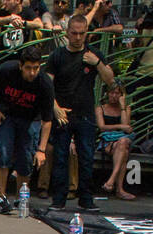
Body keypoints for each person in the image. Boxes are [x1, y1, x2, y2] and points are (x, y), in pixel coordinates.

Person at [42, 14, 113, 209]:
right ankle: (59, 199)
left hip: (85, 113)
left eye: (82, 33)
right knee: (61, 158)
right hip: (64, 114)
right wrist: (55, 108)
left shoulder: (94, 53)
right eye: (74, 33)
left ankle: (86, 198)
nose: (78, 37)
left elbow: (110, 80)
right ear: (67, 33)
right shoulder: (57, 55)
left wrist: (96, 63)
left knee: (87, 158)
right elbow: (47, 85)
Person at [0, 44, 54, 215]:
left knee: (25, 157)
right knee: (4, 152)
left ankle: (20, 197)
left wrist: (42, 150)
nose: (32, 73)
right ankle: (1, 197)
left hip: (30, 119)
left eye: (36, 68)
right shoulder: (6, 70)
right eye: (28, 68)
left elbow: (47, 121)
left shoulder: (44, 83)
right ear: (20, 65)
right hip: (6, 115)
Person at [96, 82, 135, 199]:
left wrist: (122, 107)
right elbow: (102, 127)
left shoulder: (126, 109)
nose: (114, 96)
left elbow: (126, 126)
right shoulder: (100, 108)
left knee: (123, 144)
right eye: (112, 93)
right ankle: (119, 189)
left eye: (117, 93)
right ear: (107, 94)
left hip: (121, 142)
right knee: (124, 148)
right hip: (107, 141)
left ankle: (111, 181)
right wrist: (120, 127)